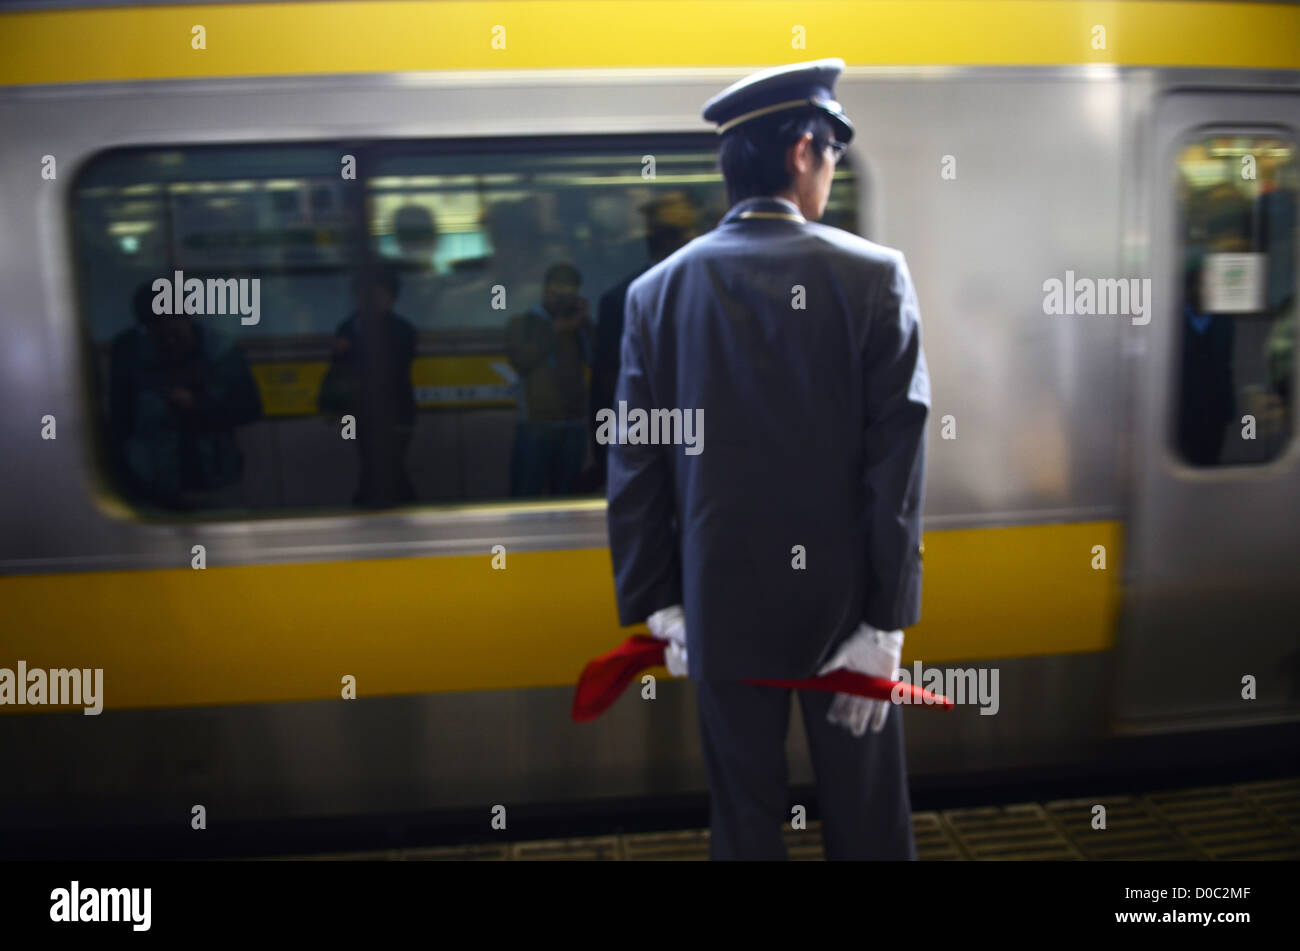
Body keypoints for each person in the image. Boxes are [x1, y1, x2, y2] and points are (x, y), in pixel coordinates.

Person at [606, 59, 931, 860]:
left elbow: (635, 460)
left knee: (745, 822)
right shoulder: (875, 278)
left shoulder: (655, 293)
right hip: (846, 608)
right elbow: (898, 463)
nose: (830, 175)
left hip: (719, 606)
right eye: (831, 157)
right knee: (869, 824)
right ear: (801, 153)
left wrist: (666, 606)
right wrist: (885, 623)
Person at [108, 282, 263, 511]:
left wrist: (198, 407)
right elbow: (120, 421)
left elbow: (249, 408)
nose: (167, 339)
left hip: (212, 479)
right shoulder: (129, 352)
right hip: (150, 485)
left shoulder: (220, 351)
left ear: (188, 316)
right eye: (156, 329)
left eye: (173, 326)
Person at [586, 191, 699, 489]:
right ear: (662, 239)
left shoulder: (710, 294)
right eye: (681, 232)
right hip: (646, 441)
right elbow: (607, 385)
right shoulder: (620, 301)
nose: (692, 239)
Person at [318, 262, 418, 506]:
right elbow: (339, 362)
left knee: (383, 464)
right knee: (377, 464)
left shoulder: (401, 330)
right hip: (359, 411)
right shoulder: (348, 327)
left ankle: (370, 506)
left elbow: (393, 364)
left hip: (396, 413)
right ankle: (396, 508)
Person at [505, 263, 593, 496]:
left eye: (569, 294)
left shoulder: (580, 326)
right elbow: (522, 360)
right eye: (558, 293)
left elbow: (597, 358)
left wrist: (584, 322)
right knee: (526, 493)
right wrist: (556, 329)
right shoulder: (522, 323)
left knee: (568, 498)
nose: (562, 301)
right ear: (545, 291)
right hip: (536, 424)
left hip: (573, 423)